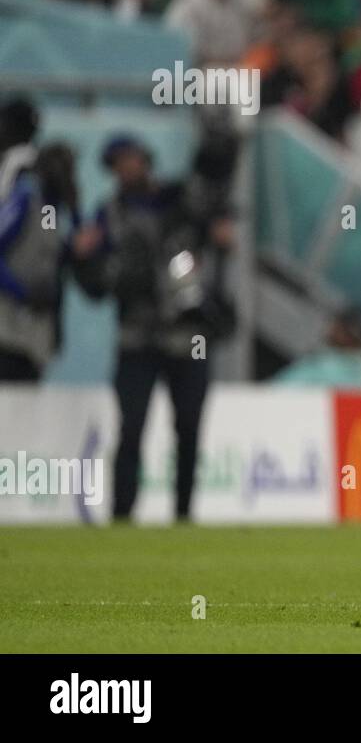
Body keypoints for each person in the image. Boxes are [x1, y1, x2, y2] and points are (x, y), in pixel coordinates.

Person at [70, 135, 236, 523]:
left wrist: (221, 237)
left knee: (190, 428)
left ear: (147, 160)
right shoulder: (109, 215)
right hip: (137, 337)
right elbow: (97, 285)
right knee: (131, 428)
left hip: (189, 335)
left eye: (133, 160)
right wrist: (82, 259)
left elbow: (214, 204)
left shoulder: (183, 200)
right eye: (119, 164)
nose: (128, 168)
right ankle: (123, 514)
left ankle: (183, 514)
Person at [0, 142, 79, 380]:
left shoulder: (52, 211)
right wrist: (21, 292)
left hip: (36, 333)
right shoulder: (25, 200)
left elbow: (71, 249)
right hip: (9, 329)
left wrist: (76, 208)